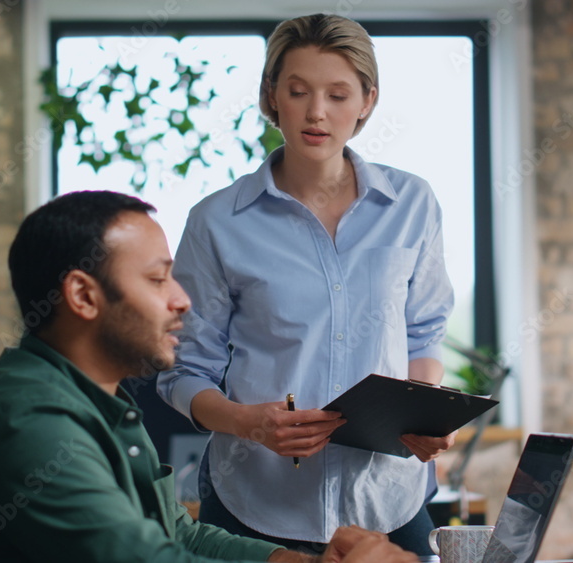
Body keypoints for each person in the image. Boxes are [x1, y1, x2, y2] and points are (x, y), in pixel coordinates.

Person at [0, 191, 418, 563]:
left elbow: (176, 534)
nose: (181, 300)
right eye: (156, 278)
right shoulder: (32, 422)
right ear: (83, 296)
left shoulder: (100, 402)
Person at [157, 13, 456, 557]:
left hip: (387, 500)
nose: (317, 112)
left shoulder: (413, 205)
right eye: (298, 91)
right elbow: (183, 371)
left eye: (339, 95)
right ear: (272, 95)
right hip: (256, 499)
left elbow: (424, 333)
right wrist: (248, 423)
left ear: (368, 100)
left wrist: (424, 413)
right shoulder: (217, 222)